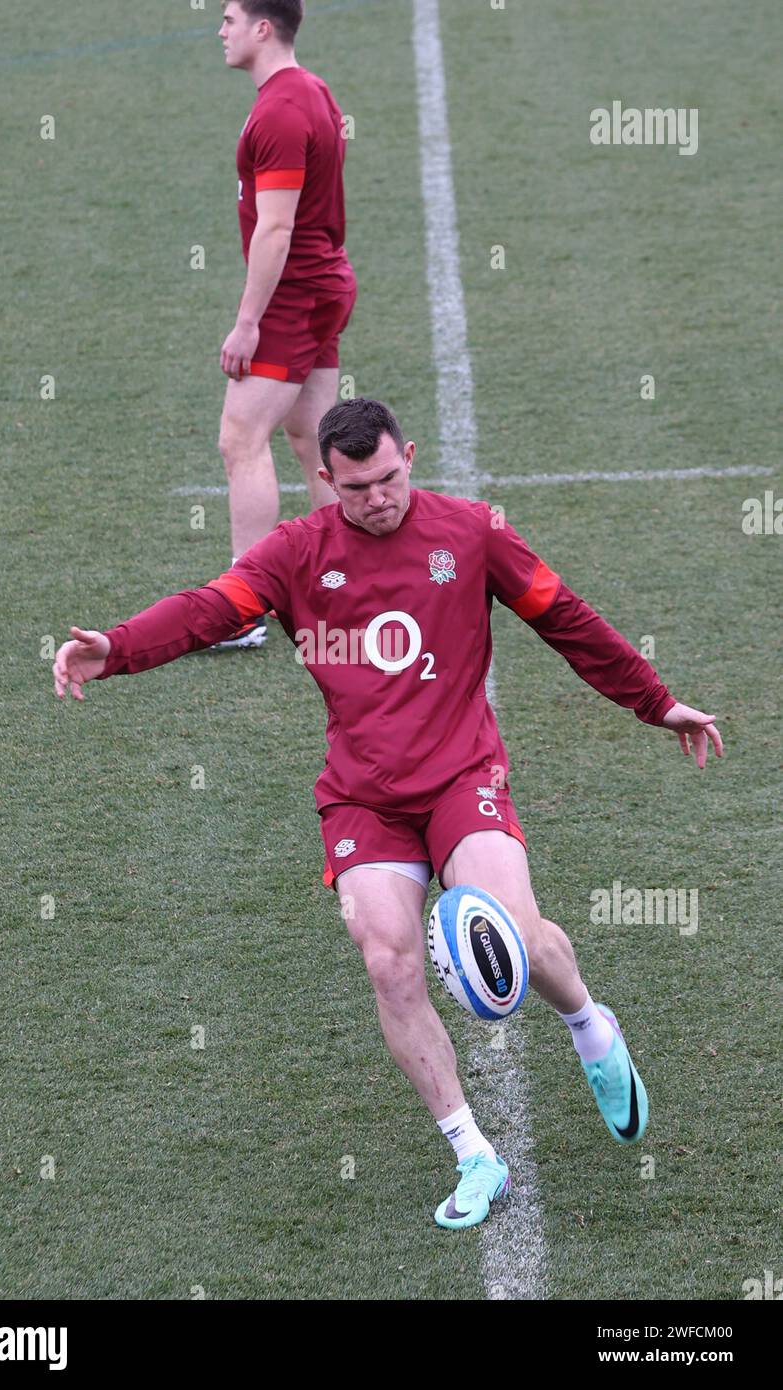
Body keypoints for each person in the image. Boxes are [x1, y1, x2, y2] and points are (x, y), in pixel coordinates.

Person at [53, 398, 723, 1229]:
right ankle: (474, 1154)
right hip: (363, 796)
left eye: (391, 478)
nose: (379, 498)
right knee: (387, 961)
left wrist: (655, 704)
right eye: (358, 486)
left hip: (460, 776)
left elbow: (567, 621)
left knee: (516, 932)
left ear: (410, 456)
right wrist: (114, 649)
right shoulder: (295, 553)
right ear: (327, 480)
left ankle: (587, 1022)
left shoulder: (472, 531)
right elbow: (207, 611)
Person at [215, 0, 357, 647]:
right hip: (325, 284)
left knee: (241, 439)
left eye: (228, 18)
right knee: (311, 439)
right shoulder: (314, 91)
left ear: (262, 28)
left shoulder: (277, 110)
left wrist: (248, 322)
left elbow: (276, 227)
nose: (220, 30)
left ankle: (241, 608)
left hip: (292, 297)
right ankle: (352, 584)